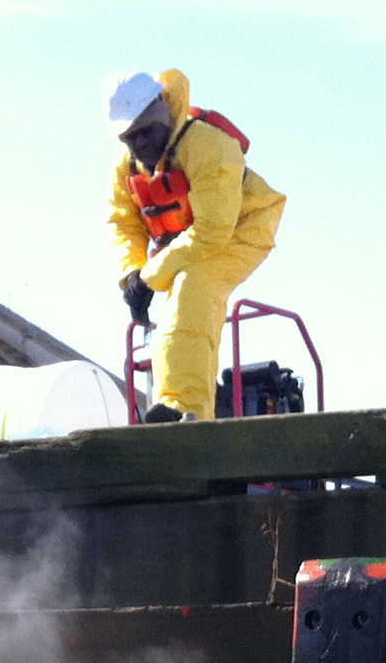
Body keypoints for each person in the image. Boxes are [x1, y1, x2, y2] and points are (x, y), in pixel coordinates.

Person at [107, 68, 286, 424]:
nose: (139, 144)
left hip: (244, 227)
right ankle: (185, 408)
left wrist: (149, 277)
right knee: (184, 293)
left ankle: (183, 409)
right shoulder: (128, 169)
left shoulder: (207, 145)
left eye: (145, 132)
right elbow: (124, 223)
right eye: (130, 137)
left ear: (162, 115)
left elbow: (212, 231)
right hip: (191, 244)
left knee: (194, 286)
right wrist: (131, 274)